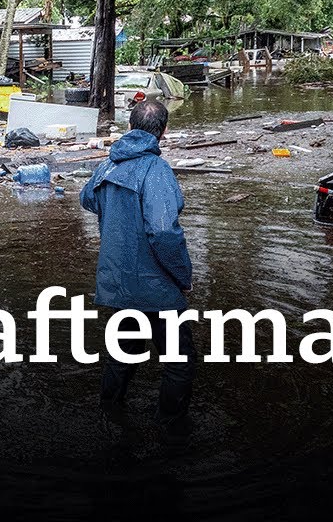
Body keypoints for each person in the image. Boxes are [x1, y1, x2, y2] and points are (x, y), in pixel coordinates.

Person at [80, 100, 196, 443]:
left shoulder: (108, 166)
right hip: (156, 287)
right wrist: (183, 275)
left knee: (122, 355)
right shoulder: (156, 170)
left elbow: (87, 200)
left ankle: (110, 414)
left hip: (119, 285)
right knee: (179, 361)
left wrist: (116, 211)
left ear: (130, 126)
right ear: (163, 131)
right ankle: (170, 428)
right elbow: (163, 232)